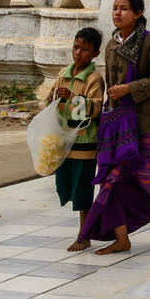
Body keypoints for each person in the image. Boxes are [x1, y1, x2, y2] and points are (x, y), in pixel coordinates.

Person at [77, 0, 150, 255]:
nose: (117, 12)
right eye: (114, 8)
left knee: (147, 176)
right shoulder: (112, 45)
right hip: (114, 124)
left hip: (143, 122)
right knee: (110, 180)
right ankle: (122, 239)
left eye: (124, 8)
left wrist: (129, 89)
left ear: (138, 13)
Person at [48, 27, 105, 252]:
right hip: (64, 141)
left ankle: (84, 235)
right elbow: (50, 101)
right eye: (76, 47)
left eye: (84, 49)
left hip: (84, 142)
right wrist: (51, 98)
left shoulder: (94, 78)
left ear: (95, 53)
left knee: (82, 190)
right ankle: (85, 231)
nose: (78, 53)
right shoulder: (64, 73)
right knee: (65, 184)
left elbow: (95, 109)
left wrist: (72, 98)